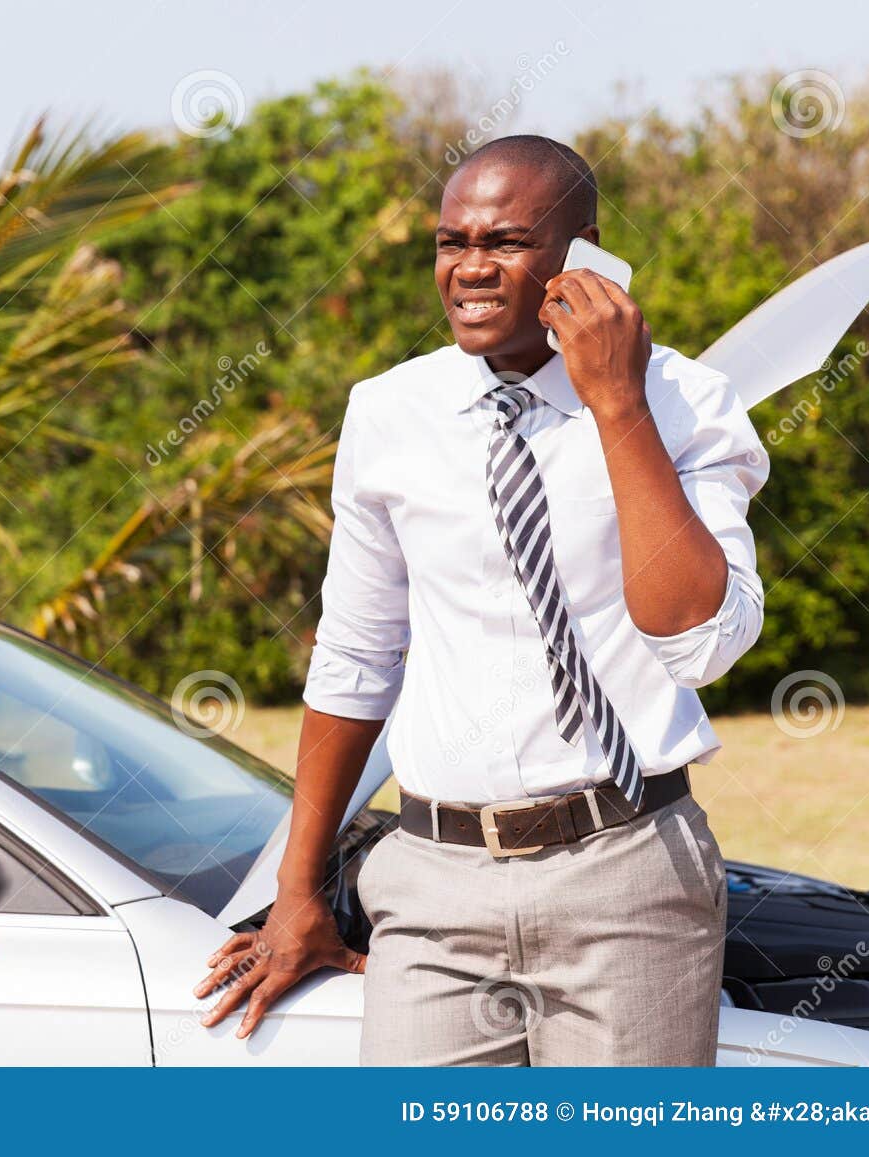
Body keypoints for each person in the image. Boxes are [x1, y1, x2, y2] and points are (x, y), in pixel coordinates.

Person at [194, 134, 768, 1065]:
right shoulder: (390, 411)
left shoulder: (686, 402)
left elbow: (700, 640)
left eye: (503, 242)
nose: (469, 267)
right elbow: (357, 654)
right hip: (430, 884)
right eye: (448, 241)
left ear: (582, 253)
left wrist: (618, 405)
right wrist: (297, 888)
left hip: (625, 876)